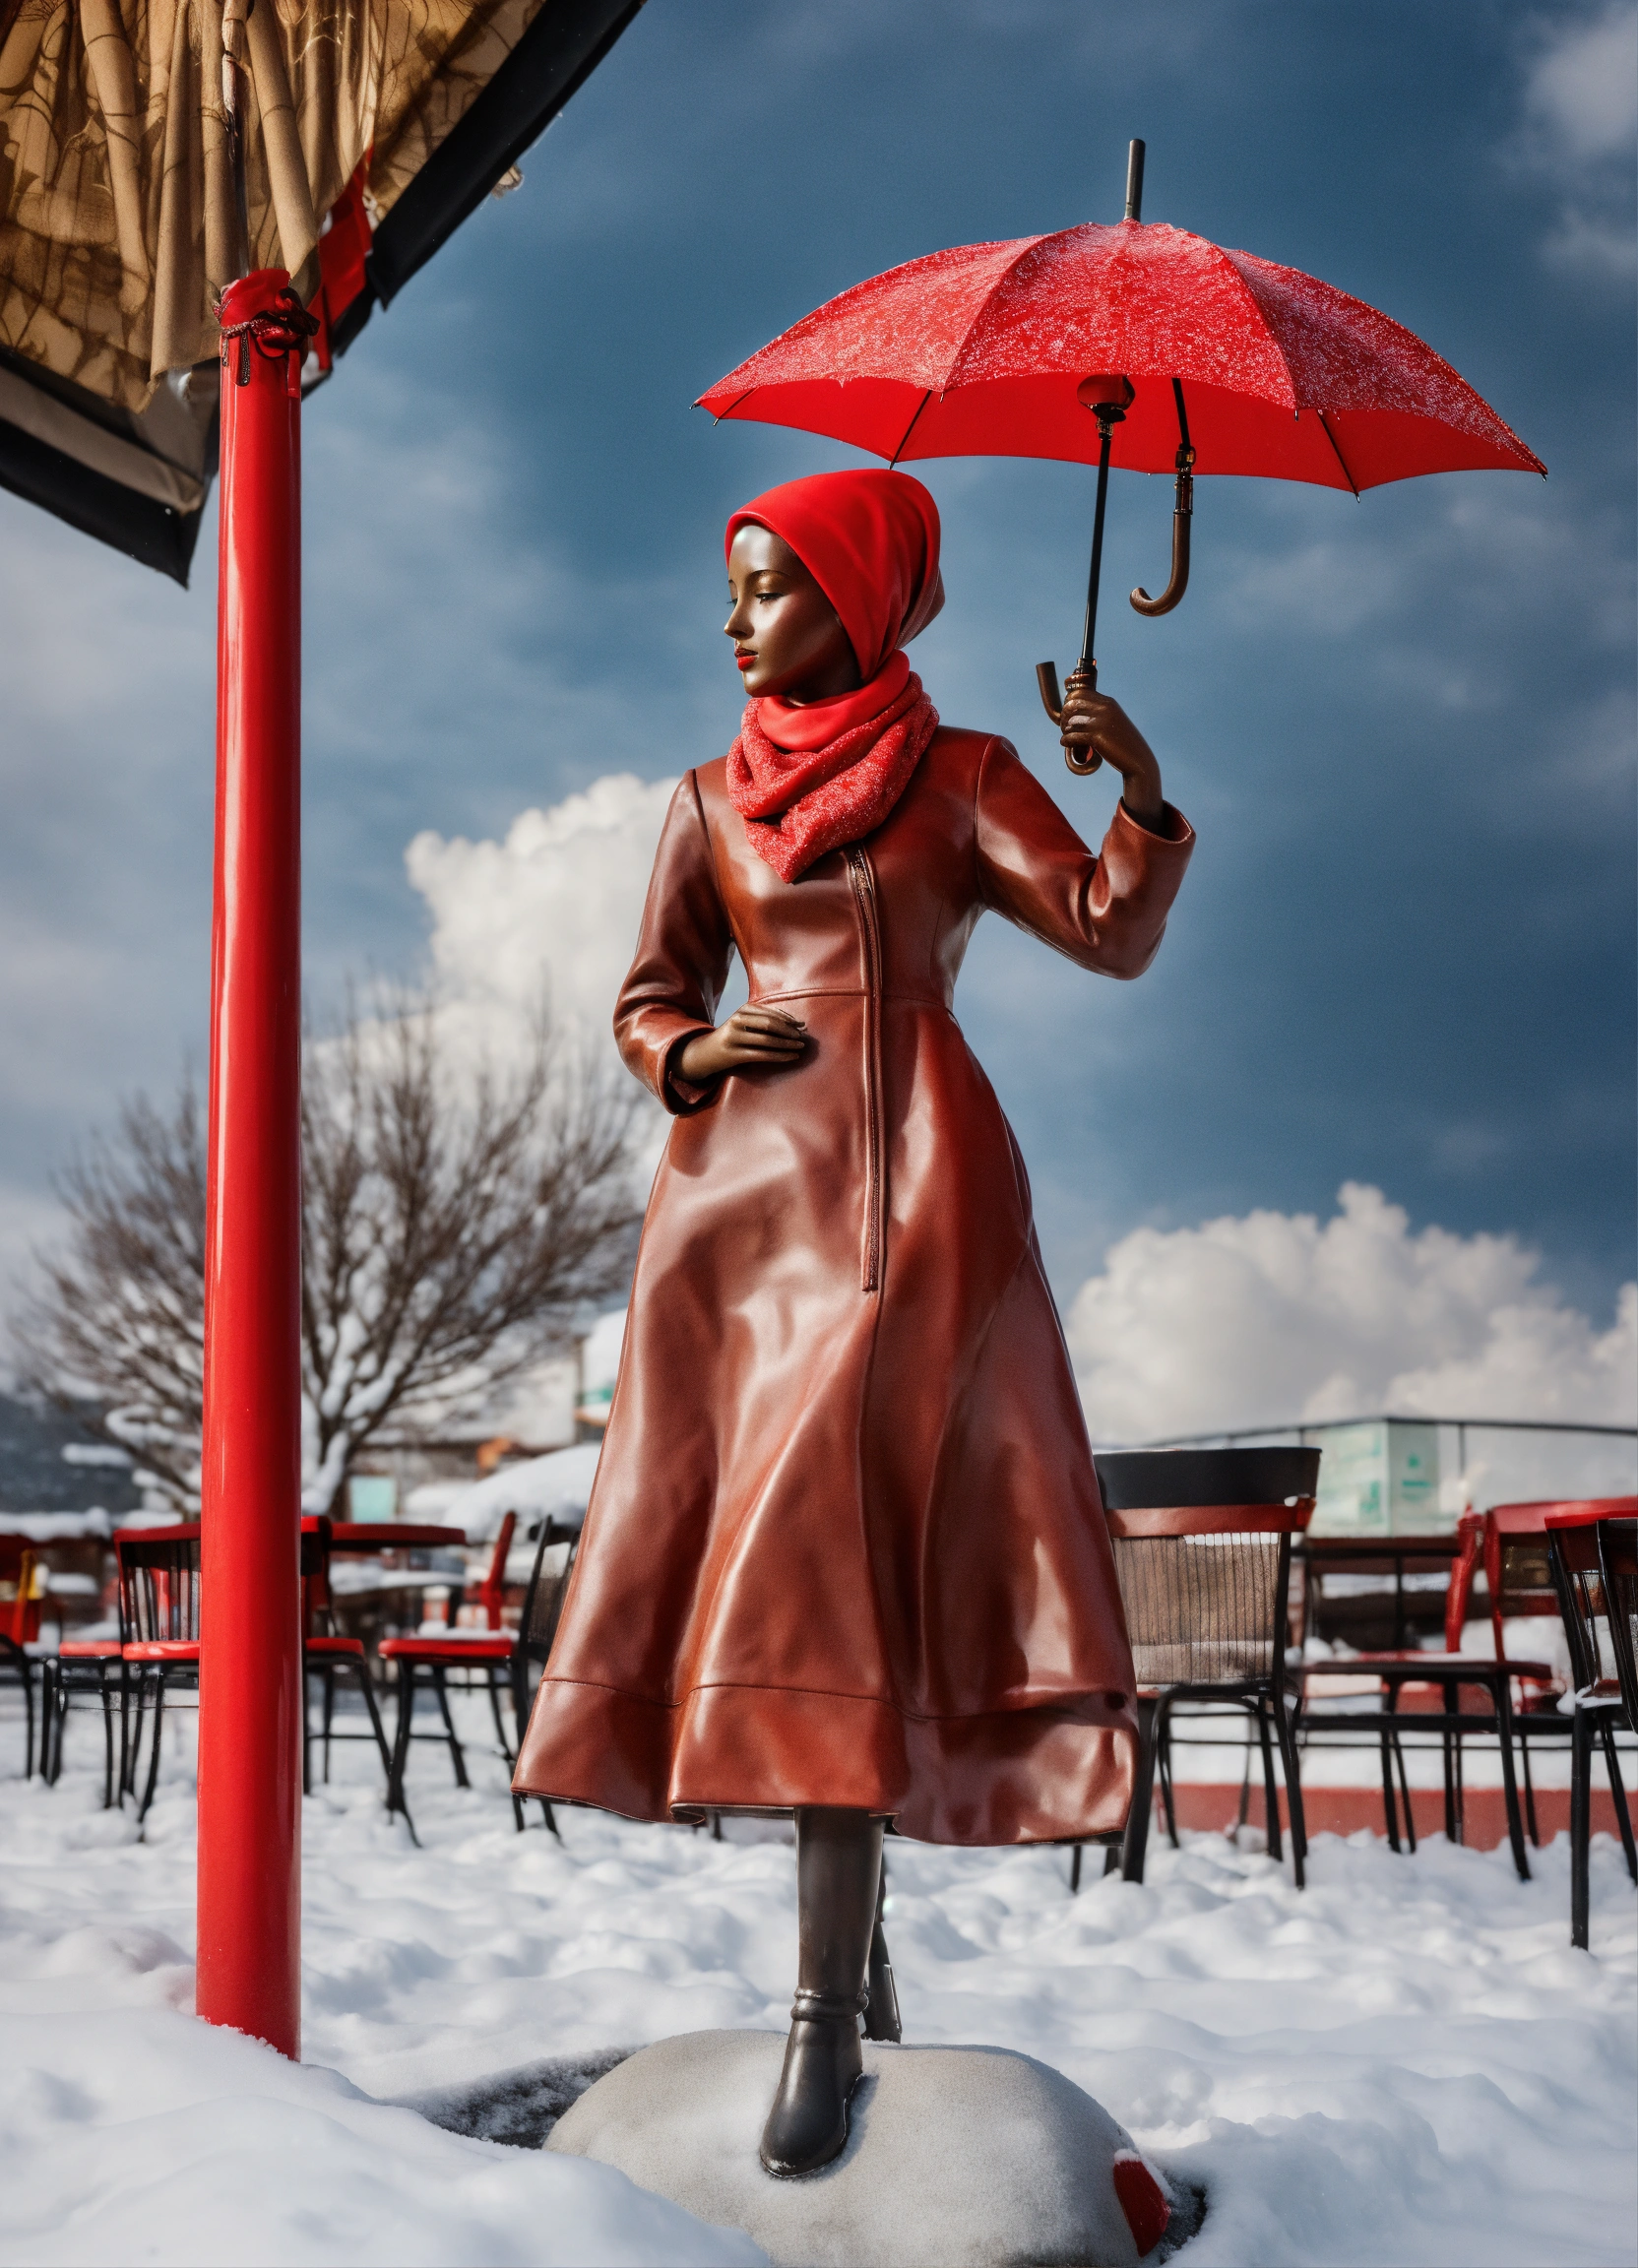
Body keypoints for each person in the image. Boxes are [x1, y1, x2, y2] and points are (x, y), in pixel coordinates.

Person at [513, 469, 1194, 2177]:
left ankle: (823, 2006)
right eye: (731, 588)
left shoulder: (965, 778)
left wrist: (1141, 796)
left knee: (839, 1539)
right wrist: (686, 1052)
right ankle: (854, 1950)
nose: (732, 618)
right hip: (739, 1219)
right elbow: (647, 991)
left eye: (764, 585)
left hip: (914, 1199)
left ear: (859, 596)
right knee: (787, 1548)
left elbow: (1106, 935)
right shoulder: (706, 801)